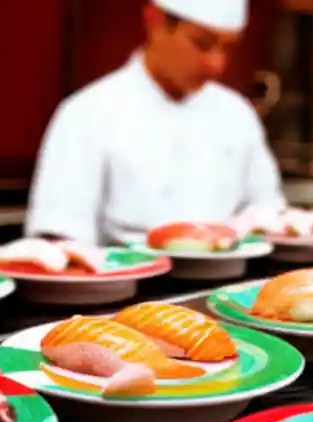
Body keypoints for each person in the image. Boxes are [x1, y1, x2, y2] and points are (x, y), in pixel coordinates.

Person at [25, 0, 286, 246]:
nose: (215, 64)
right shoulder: (87, 113)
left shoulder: (237, 114)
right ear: (155, 20)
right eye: (202, 43)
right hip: (126, 289)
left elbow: (268, 213)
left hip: (228, 287)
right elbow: (59, 236)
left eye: (227, 47)